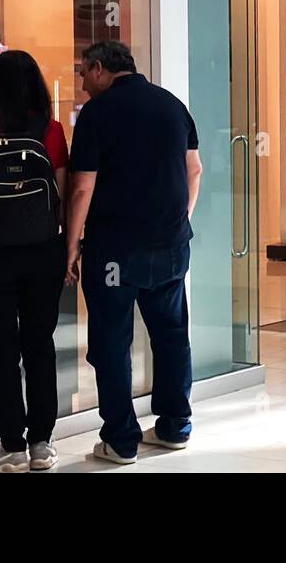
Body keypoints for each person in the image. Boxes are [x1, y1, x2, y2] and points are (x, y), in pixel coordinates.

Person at [66, 40, 202, 465]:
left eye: (84, 72)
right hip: (172, 245)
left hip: (115, 252)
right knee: (171, 335)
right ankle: (175, 425)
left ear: (100, 69)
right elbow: (194, 168)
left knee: (111, 340)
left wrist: (70, 244)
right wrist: (178, 220)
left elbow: (83, 186)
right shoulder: (172, 105)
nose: (83, 83)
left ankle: (122, 440)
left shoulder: (97, 114)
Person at [0, 49, 69, 473]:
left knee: (0, 349)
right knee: (39, 345)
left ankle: (12, 447)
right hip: (43, 253)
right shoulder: (52, 130)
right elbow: (61, 196)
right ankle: (42, 444)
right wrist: (63, 246)